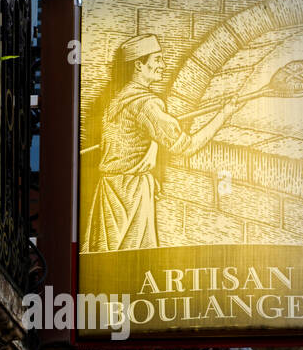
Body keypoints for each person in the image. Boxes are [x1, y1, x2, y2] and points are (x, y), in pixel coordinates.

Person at [82, 34, 235, 253]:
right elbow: (186, 147)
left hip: (110, 192)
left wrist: (153, 147)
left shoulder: (119, 99)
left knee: (108, 256)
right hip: (130, 195)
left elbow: (134, 138)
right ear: (139, 64)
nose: (163, 65)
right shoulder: (147, 104)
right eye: (158, 59)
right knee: (129, 261)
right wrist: (224, 114)